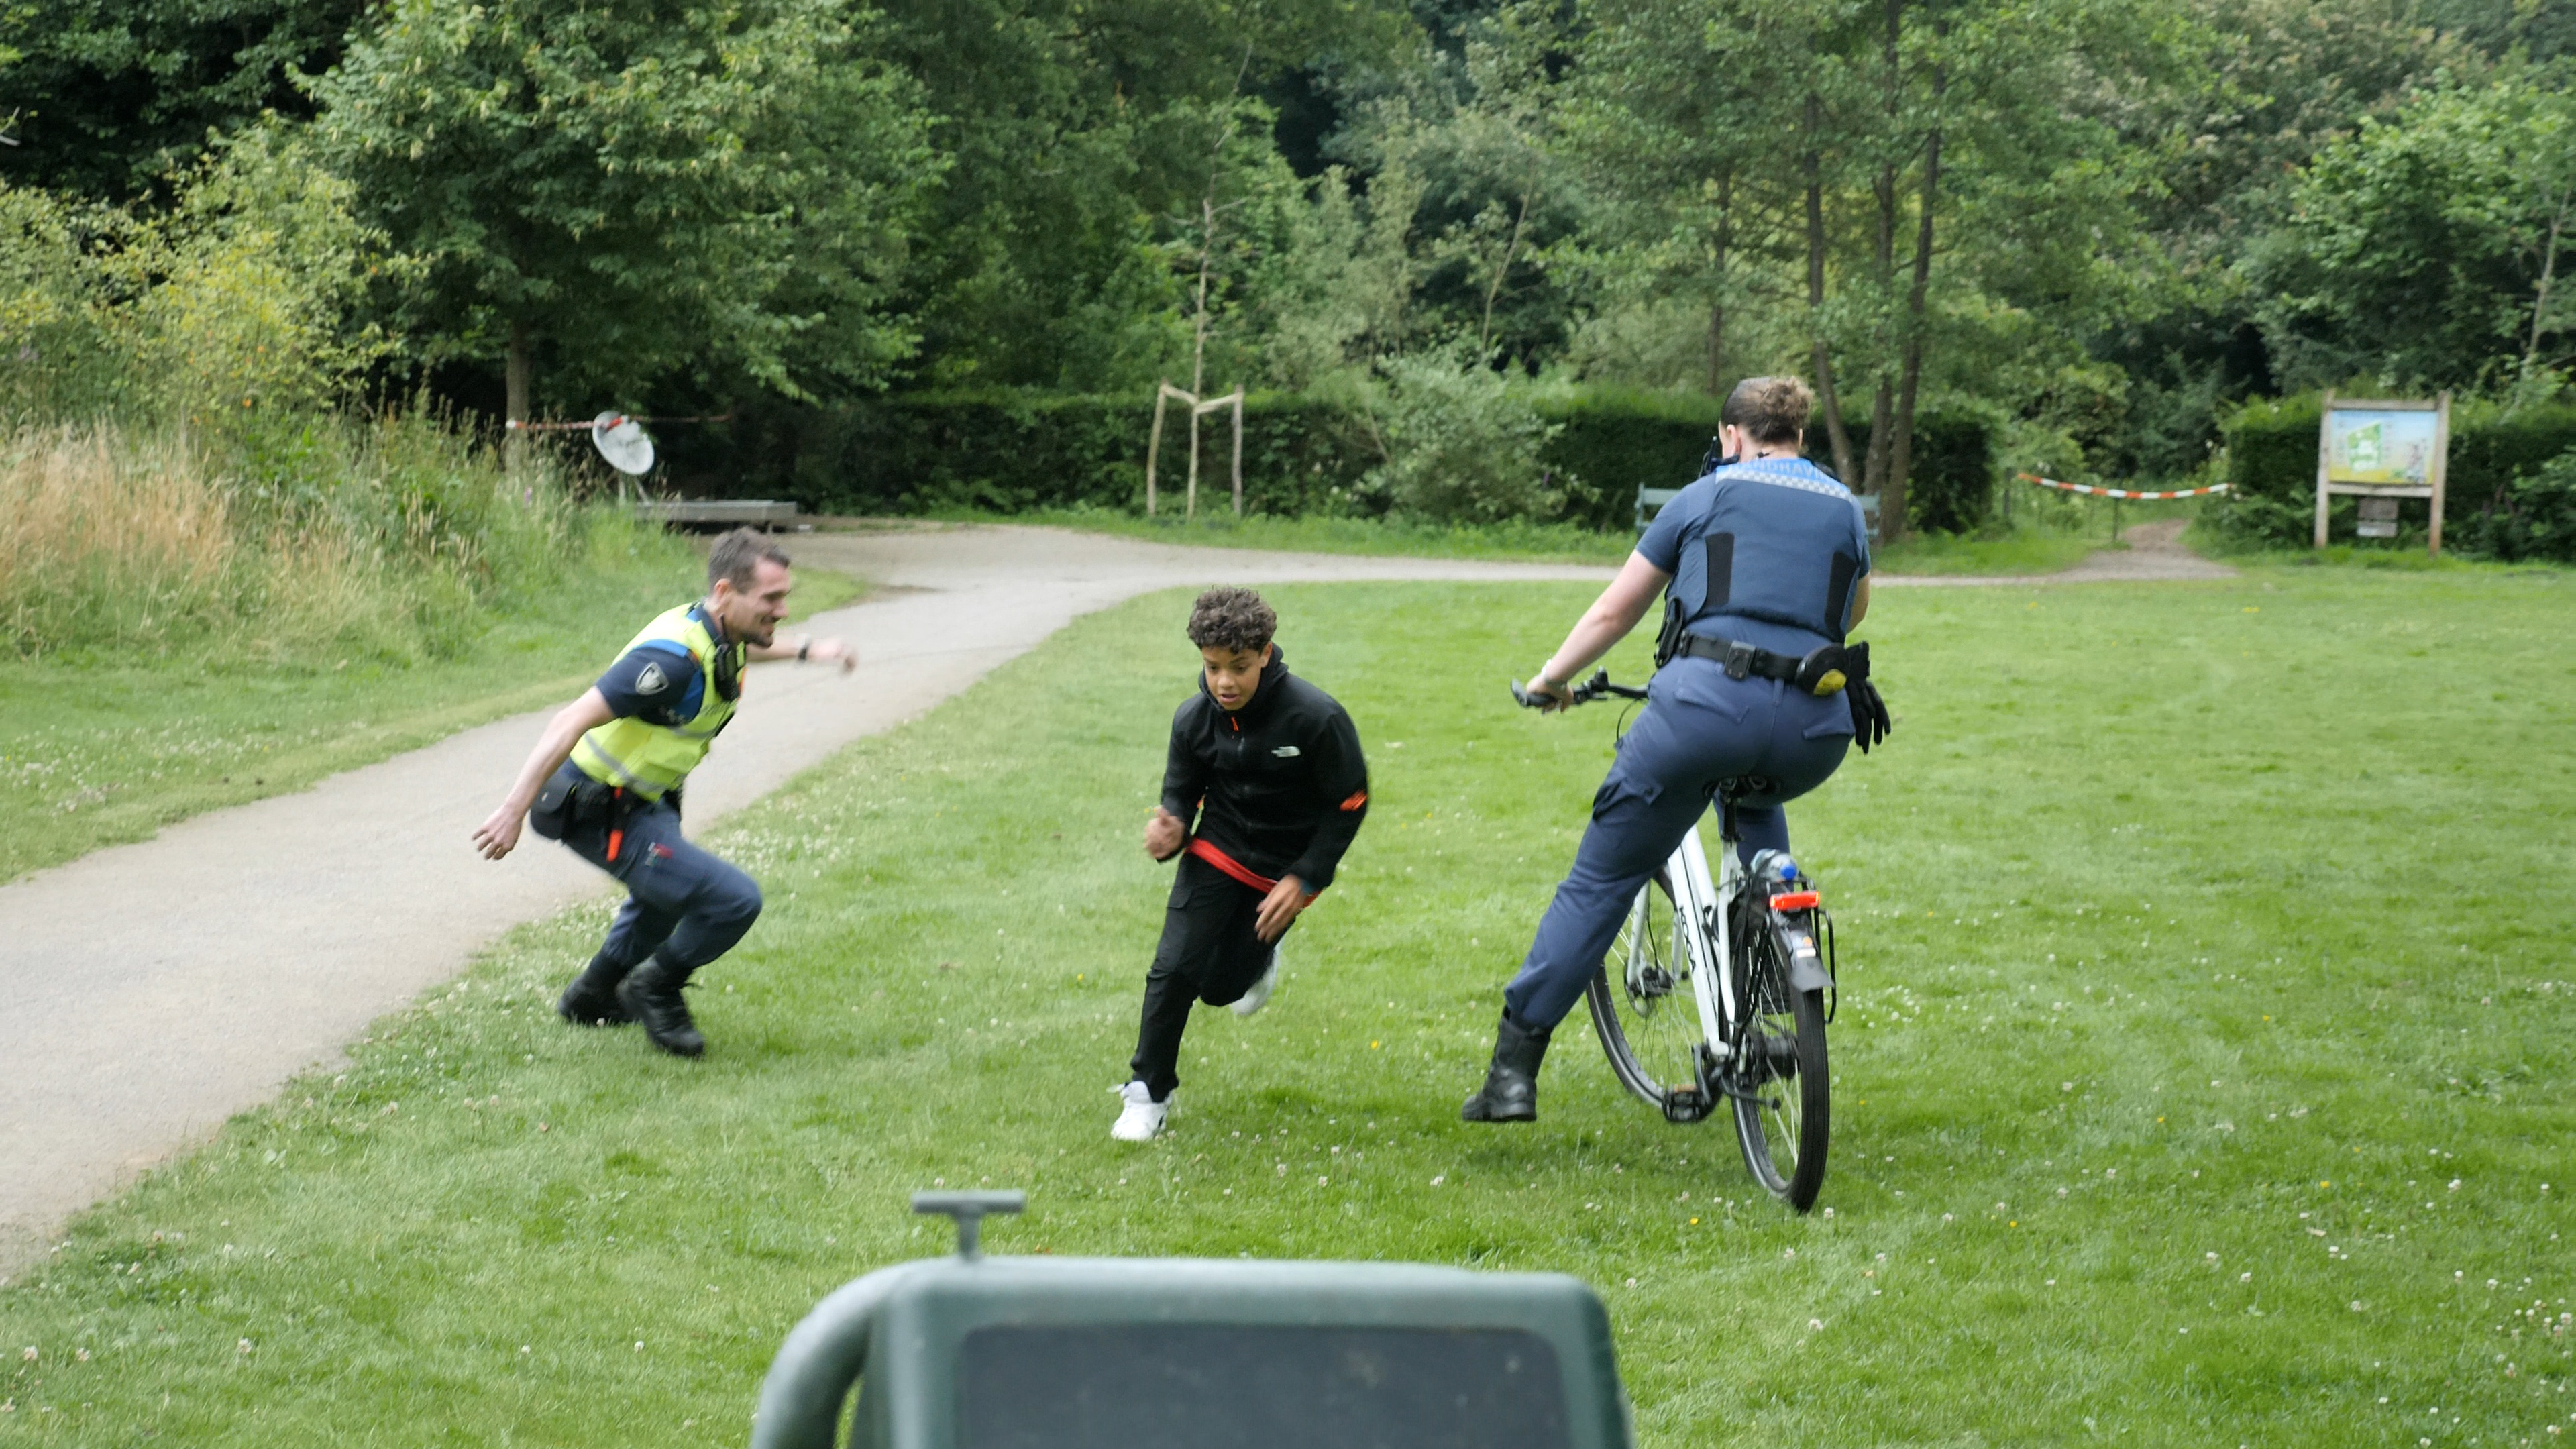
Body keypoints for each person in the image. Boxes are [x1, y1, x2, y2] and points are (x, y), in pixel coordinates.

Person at [1460, 375, 1890, 1123]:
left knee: (1603, 877)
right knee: (1756, 808)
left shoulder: (1705, 496)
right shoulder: (1844, 508)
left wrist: (1548, 681)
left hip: (1703, 709)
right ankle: (1766, 989)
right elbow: (1851, 607)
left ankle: (1512, 1073)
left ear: (1731, 435)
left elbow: (1615, 609)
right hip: (1816, 728)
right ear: (1797, 437)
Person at [470, 528, 855, 1057]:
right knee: (733, 900)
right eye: (771, 598)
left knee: (663, 899)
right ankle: (657, 986)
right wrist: (511, 810)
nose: (783, 610)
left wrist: (808, 650)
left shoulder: (720, 633)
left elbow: (742, 654)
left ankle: (591, 996)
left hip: (643, 804)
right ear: (725, 593)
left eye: (784, 597)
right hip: (594, 809)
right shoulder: (672, 660)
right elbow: (571, 719)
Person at [1113, 587, 1371, 1142]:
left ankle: (1260, 959)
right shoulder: (1193, 720)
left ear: (1266, 653)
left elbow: (1350, 802)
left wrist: (1304, 878)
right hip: (1217, 850)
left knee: (1219, 989)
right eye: (1212, 667)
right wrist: (1174, 824)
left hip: (1283, 871)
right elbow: (1182, 790)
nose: (1224, 682)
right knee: (1174, 966)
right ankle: (1147, 1092)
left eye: (1239, 667)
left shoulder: (1316, 717)